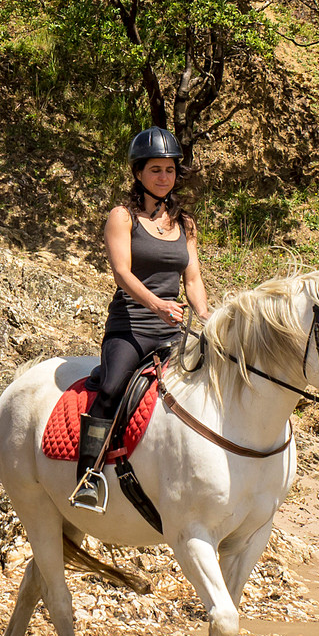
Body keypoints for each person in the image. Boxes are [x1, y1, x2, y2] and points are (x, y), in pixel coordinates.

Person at [71, 126, 210, 511]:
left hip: (172, 329)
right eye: (155, 170)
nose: (164, 177)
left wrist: (204, 313)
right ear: (138, 173)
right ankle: (88, 476)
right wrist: (159, 305)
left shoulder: (185, 224)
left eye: (169, 170)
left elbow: (193, 277)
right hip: (131, 326)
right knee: (113, 387)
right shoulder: (122, 217)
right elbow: (122, 274)